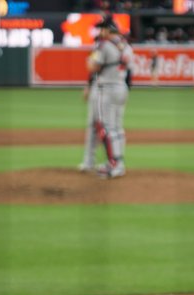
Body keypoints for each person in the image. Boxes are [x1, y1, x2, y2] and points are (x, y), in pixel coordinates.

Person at [79, 16, 133, 179]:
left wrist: (91, 58)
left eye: (102, 28)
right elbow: (130, 70)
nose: (99, 31)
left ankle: (114, 164)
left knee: (105, 128)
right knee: (116, 128)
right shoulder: (126, 46)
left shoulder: (104, 45)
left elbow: (92, 66)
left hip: (106, 89)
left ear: (108, 29)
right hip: (121, 87)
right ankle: (118, 162)